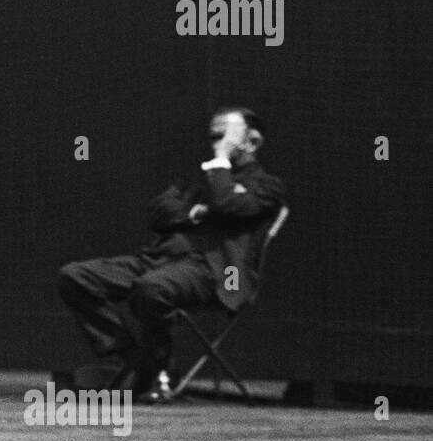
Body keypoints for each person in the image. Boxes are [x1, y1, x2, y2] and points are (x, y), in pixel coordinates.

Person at [58, 107, 286, 402]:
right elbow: (159, 211)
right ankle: (139, 359)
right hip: (159, 260)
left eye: (224, 136)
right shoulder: (198, 179)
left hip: (217, 273)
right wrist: (194, 212)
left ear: (252, 142)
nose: (217, 142)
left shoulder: (267, 185)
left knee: (153, 287)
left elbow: (230, 205)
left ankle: (157, 368)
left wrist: (220, 165)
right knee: (75, 277)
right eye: (213, 136)